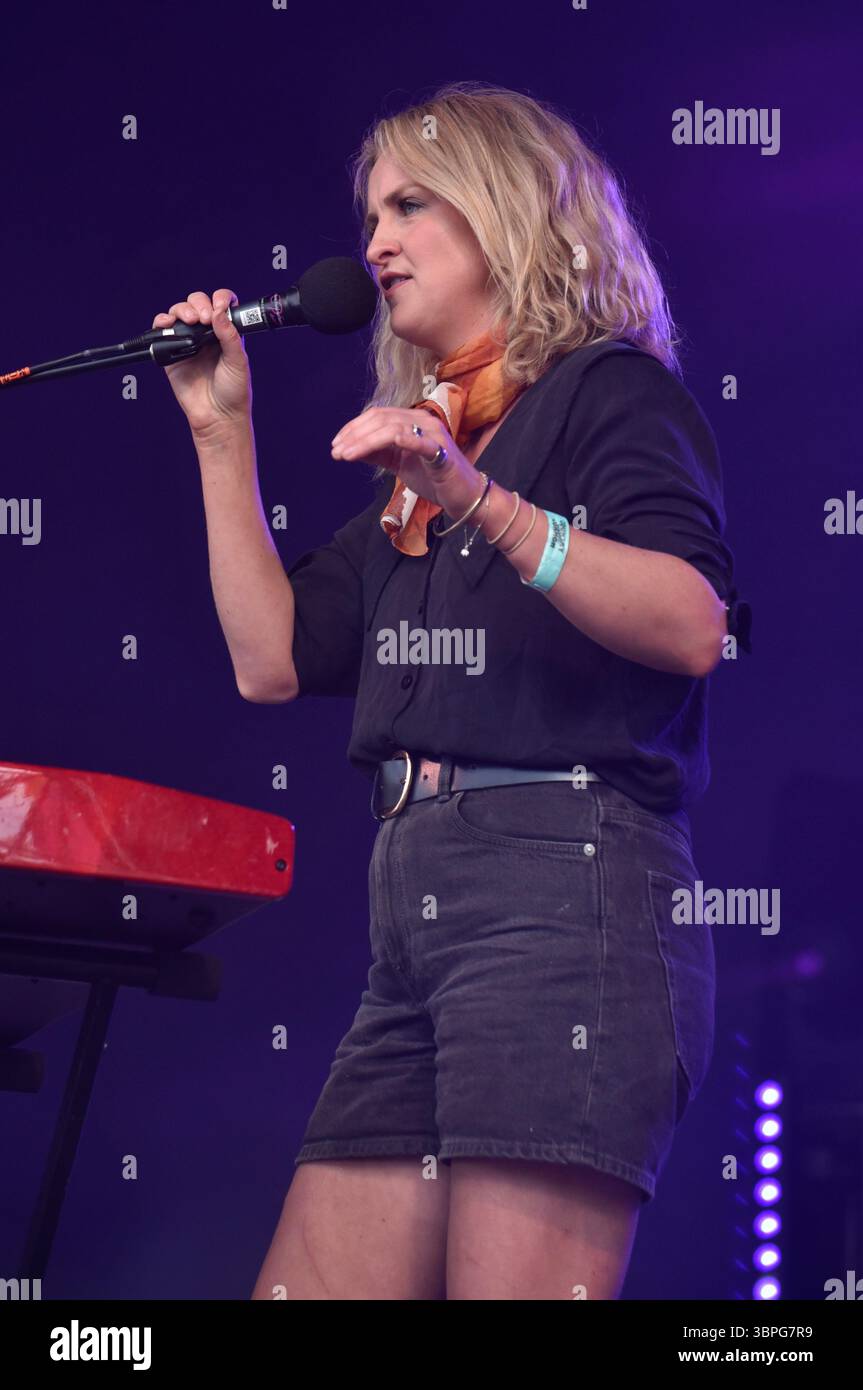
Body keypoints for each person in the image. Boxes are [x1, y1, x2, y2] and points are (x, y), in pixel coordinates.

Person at [153, 81, 749, 1301]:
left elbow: (692, 625)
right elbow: (269, 660)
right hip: (412, 923)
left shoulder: (605, 393)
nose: (372, 242)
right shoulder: (424, 450)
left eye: (410, 204)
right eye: (370, 211)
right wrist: (223, 436)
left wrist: (476, 496)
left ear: (511, 212)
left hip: (564, 901)